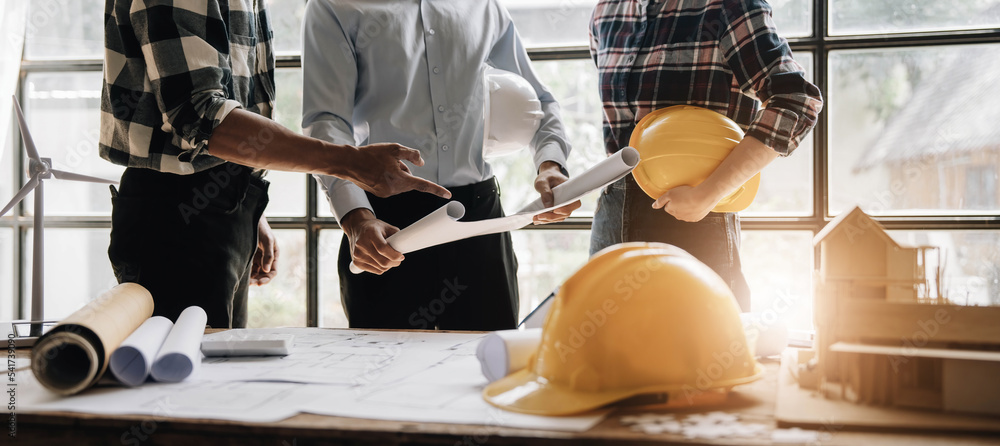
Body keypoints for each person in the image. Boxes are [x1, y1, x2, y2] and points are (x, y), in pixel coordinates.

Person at [101, 0, 450, 329]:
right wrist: (351, 162)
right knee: (180, 378)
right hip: (176, 218)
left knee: (216, 377)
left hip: (217, 203)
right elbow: (200, 114)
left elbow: (221, 110)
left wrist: (245, 206)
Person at [302, 0, 581, 330]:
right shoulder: (333, 5)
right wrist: (355, 217)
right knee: (384, 374)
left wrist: (550, 164)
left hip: (479, 221)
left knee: (485, 368)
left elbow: (541, 101)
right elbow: (326, 123)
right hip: (383, 222)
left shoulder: (483, 6)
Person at [589, 0, 824, 311]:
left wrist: (709, 193)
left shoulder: (728, 5)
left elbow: (795, 98)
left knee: (698, 350)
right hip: (611, 215)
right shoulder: (606, 12)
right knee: (603, 350)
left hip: (695, 215)